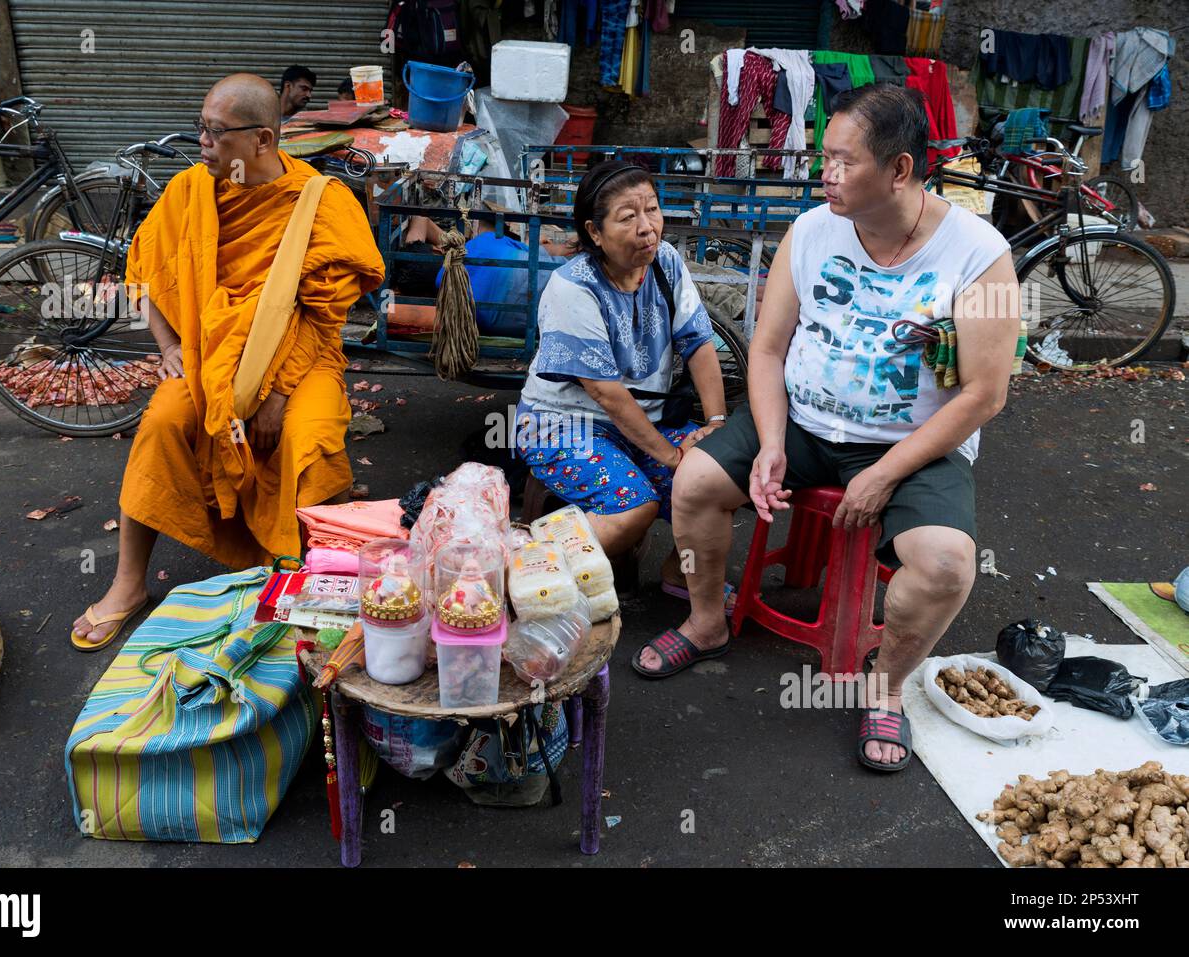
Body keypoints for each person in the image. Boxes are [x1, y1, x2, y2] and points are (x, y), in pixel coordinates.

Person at [641, 84, 1020, 773]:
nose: (827, 175)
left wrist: (885, 471)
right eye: (825, 158)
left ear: (900, 170)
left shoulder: (981, 255)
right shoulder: (812, 229)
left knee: (943, 564)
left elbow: (985, 393)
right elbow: (766, 349)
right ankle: (705, 618)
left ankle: (887, 685)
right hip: (807, 423)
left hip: (911, 443)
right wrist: (774, 440)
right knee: (694, 482)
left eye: (845, 162)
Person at [70, 73, 384, 650]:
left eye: (215, 133)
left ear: (263, 140)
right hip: (208, 355)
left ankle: (311, 580)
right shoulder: (189, 191)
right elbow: (144, 274)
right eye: (200, 129)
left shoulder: (321, 202)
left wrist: (278, 392)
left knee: (308, 435)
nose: (202, 144)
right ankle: (128, 582)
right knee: (164, 420)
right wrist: (169, 348)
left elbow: (325, 317)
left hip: (300, 361)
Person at [514, 161, 728, 588]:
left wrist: (715, 424)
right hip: (564, 425)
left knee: (725, 472)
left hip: (643, 422)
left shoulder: (666, 262)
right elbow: (606, 393)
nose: (647, 228)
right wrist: (671, 456)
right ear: (595, 232)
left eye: (652, 210)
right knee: (632, 506)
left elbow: (698, 341)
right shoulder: (572, 286)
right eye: (629, 217)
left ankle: (677, 572)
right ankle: (525, 575)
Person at [390, 215, 577, 336]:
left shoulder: (460, 312)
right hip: (577, 279)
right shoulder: (483, 242)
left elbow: (388, 311)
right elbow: (420, 218)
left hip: (565, 326)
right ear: (438, 250)